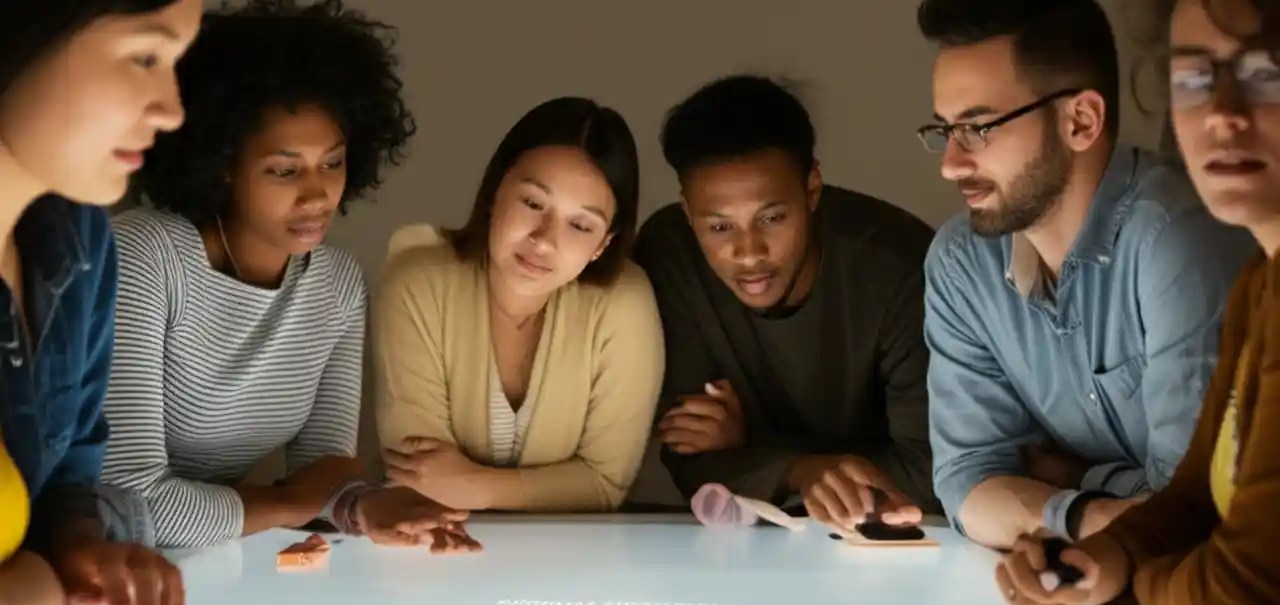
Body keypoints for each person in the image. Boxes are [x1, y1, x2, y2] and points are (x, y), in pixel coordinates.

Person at [104, 0, 478, 553]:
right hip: (67, 558)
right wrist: (285, 504)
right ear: (223, 163)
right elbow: (125, 502)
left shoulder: (337, 286)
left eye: (333, 162)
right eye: (284, 170)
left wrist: (366, 508)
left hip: (199, 562)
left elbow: (324, 470)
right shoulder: (144, 256)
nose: (318, 192)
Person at [917, 0, 1258, 549]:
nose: (951, 163)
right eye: (944, 129)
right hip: (1100, 589)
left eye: (978, 128)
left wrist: (1075, 476)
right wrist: (1078, 514)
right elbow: (965, 481)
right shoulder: (961, 263)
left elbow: (1189, 513)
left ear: (1081, 121)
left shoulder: (1175, 237)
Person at [996, 0, 1280, 605]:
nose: (1222, 114)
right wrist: (1099, 565)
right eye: (1194, 79)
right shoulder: (1258, 283)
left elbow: (1243, 602)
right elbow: (1193, 500)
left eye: (1267, 73)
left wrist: (1136, 583)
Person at [634, 74, 938, 531]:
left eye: (771, 218)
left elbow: (930, 474)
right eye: (719, 227)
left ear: (812, 189)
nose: (749, 251)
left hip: (889, 548)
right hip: (744, 556)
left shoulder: (900, 266)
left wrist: (760, 454)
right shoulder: (670, 252)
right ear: (687, 212)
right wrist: (800, 471)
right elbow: (691, 458)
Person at [0, 0, 202, 605]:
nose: (172, 110)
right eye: (145, 55)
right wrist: (36, 592)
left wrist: (79, 548)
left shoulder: (81, 241)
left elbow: (67, 468)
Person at [373, 97, 663, 512]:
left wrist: (478, 487)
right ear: (494, 192)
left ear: (603, 244)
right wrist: (551, 487)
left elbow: (604, 485)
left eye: (580, 225)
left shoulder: (624, 304)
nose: (544, 239)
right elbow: (418, 479)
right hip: (427, 544)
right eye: (532, 203)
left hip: (573, 560)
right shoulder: (417, 282)